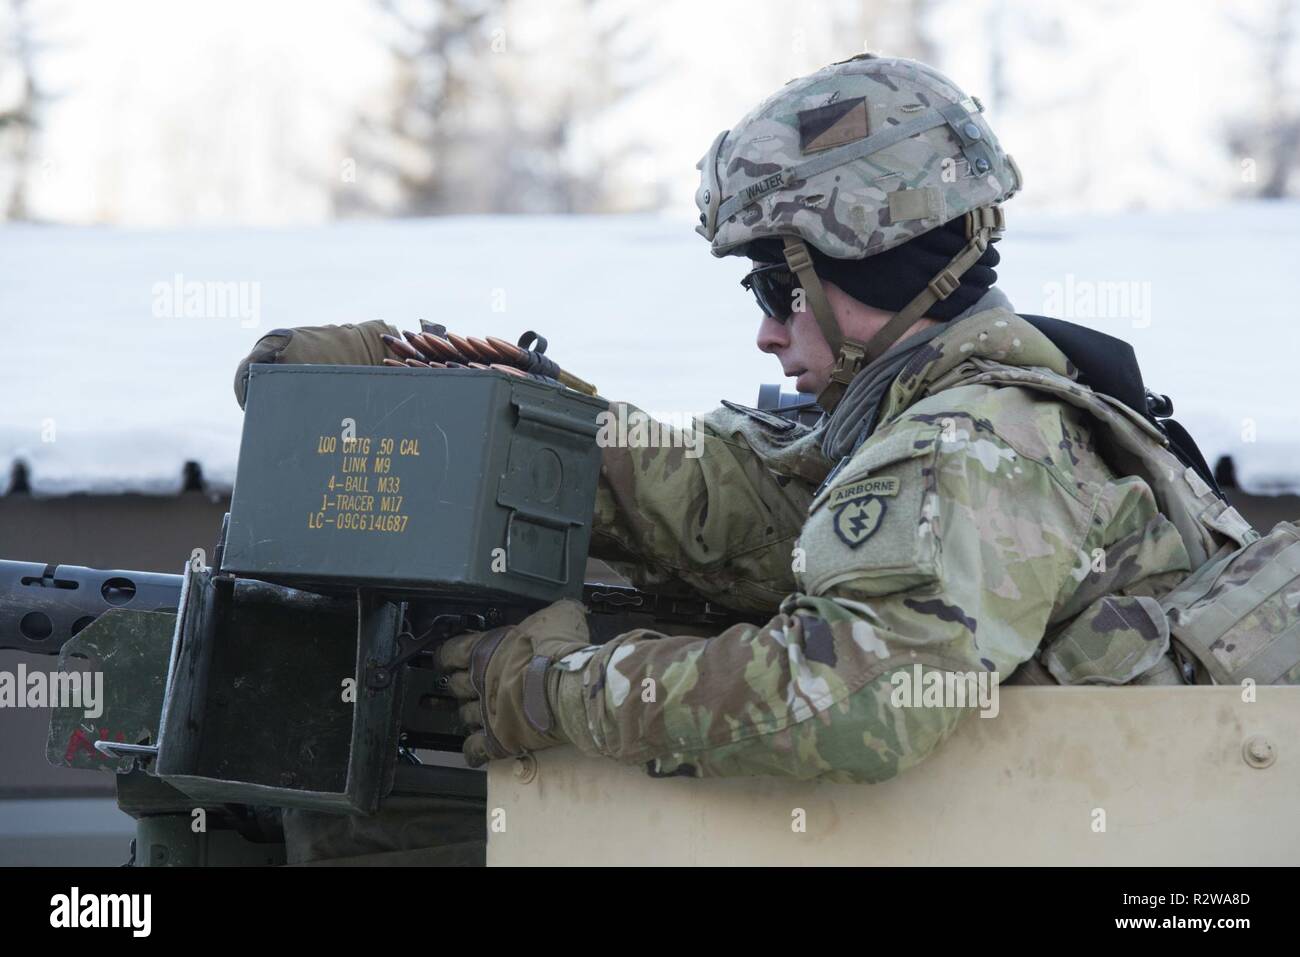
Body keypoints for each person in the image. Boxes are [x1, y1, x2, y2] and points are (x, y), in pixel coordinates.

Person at [434, 53, 1261, 782]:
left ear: (879, 265)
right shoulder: (930, 417)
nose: (765, 332)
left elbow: (841, 702)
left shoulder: (973, 450)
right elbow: (742, 502)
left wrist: (557, 691)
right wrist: (476, 414)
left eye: (777, 288)